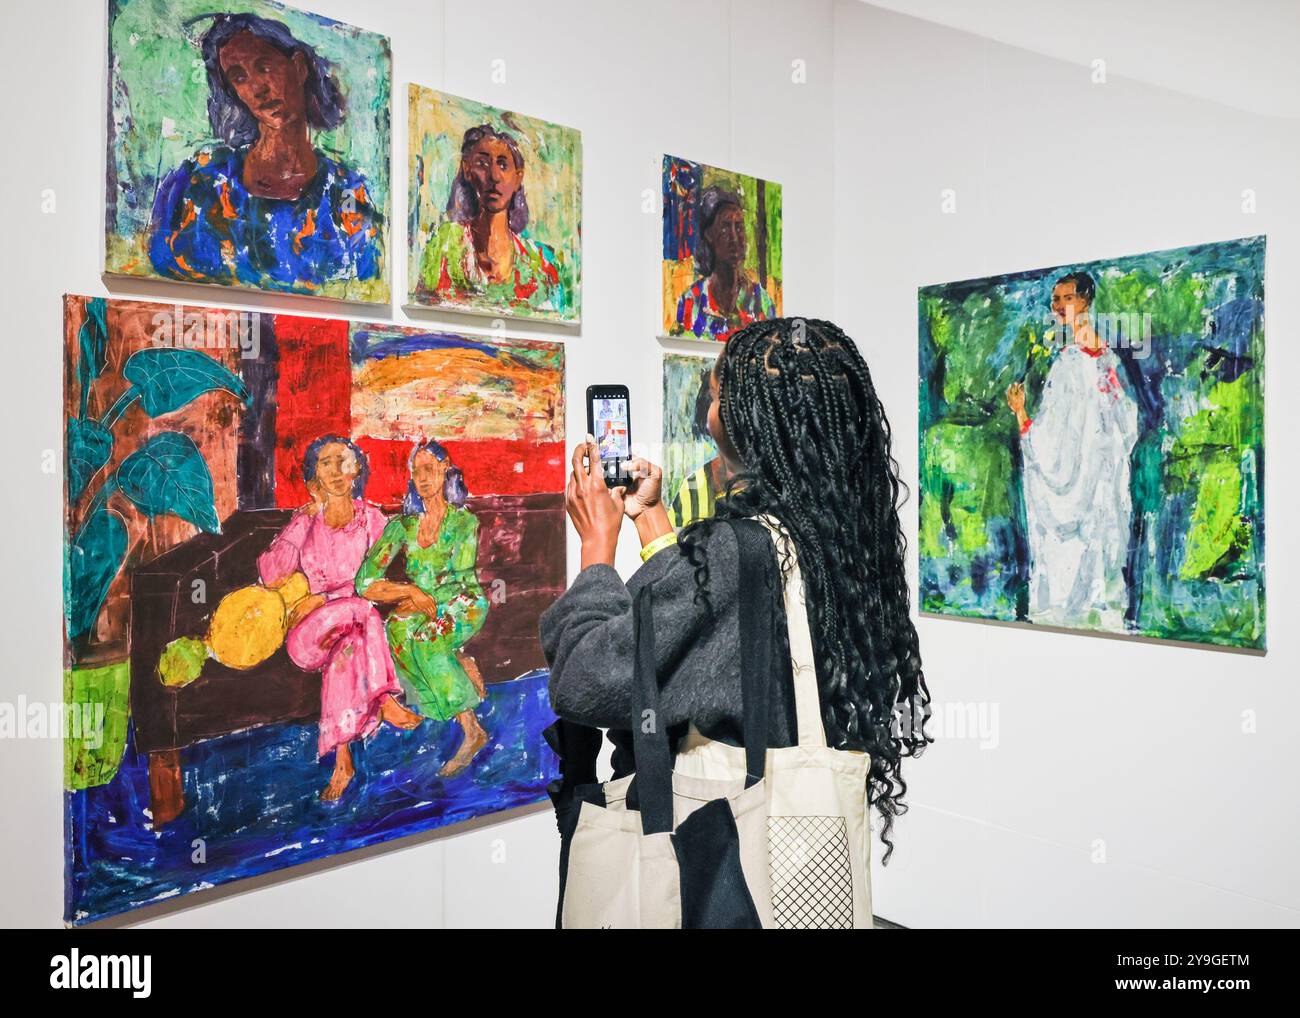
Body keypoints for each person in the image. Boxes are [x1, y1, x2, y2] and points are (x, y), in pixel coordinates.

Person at [540, 317, 932, 868]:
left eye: (718, 396)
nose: (708, 414)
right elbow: (711, 632)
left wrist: (596, 548)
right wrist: (652, 519)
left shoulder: (731, 551)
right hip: (799, 862)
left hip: (726, 867)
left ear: (748, 420)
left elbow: (587, 681)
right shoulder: (834, 536)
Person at [148, 13, 384, 292]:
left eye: (264, 67)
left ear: (298, 67)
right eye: (239, 77)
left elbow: (368, 283)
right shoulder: (199, 182)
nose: (257, 88)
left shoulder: (346, 192)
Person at [257, 436, 422, 801]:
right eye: (325, 463)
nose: (335, 470)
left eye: (342, 461)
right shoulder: (305, 521)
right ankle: (383, 698)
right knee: (362, 612)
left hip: (352, 628)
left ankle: (343, 758)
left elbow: (382, 574)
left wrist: (328, 596)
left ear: (356, 469)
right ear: (314, 475)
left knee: (348, 649)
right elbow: (270, 574)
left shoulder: (372, 520)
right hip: (307, 634)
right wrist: (305, 519)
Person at [1006, 272, 1139, 628]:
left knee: (1074, 566)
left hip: (1095, 489)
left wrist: (1020, 413)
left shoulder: (1071, 363)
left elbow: (1050, 440)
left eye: (1065, 298)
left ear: (1084, 301)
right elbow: (1126, 421)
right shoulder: (1105, 360)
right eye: (1055, 300)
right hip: (1100, 488)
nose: (1057, 307)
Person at [356, 440, 490, 778]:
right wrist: (407, 592)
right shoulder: (403, 526)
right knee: (397, 633)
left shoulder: (464, 522)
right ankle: (448, 693)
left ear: (446, 470)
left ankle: (472, 732)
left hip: (464, 601)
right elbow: (365, 581)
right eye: (417, 471)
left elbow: (457, 579)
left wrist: (415, 601)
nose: (424, 478)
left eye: (430, 469)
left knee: (429, 640)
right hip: (423, 602)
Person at [415, 124, 564, 313]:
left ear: (518, 177)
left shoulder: (541, 266)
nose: (494, 176)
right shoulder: (444, 247)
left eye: (503, 165)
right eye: (482, 164)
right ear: (467, 170)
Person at [674, 186, 776, 340]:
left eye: (739, 227)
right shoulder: (691, 302)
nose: (734, 238)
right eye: (725, 228)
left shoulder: (761, 302)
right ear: (709, 235)